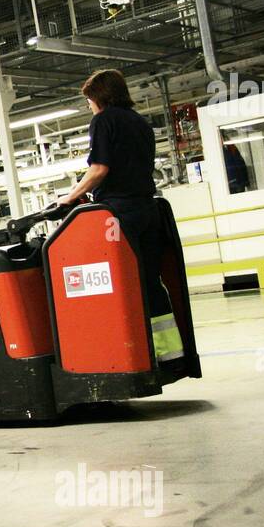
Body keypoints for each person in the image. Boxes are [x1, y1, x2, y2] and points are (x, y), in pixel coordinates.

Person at [52, 69, 183, 363]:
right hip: (148, 210)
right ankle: (168, 353)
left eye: (89, 99)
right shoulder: (141, 123)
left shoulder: (103, 120)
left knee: (117, 285)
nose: (89, 105)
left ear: (99, 97)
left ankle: (129, 355)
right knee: (149, 280)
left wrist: (70, 197)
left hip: (118, 214)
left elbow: (100, 169)